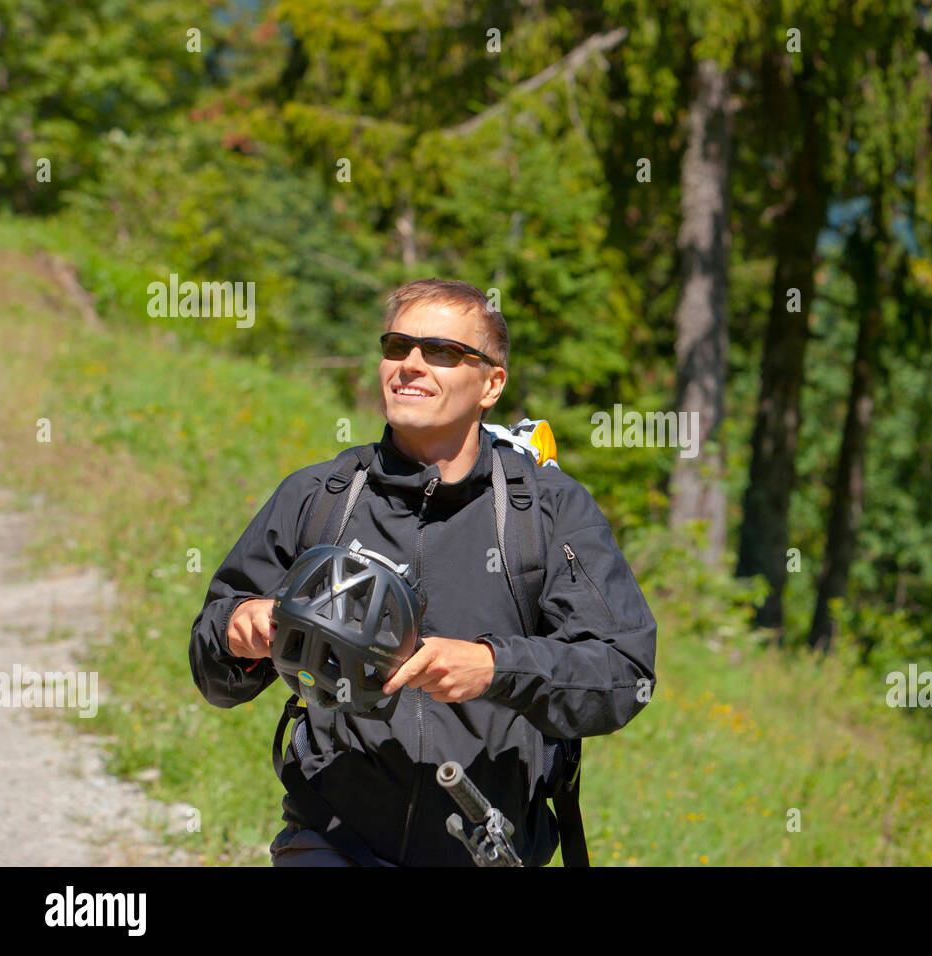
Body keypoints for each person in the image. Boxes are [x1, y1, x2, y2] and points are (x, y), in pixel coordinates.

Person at [189, 278, 658, 866]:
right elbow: (214, 670)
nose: (410, 364)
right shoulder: (321, 496)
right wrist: (237, 630)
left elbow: (623, 674)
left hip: (487, 851)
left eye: (440, 351)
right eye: (397, 346)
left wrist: (494, 666)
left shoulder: (546, 511)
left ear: (492, 383)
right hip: (332, 841)